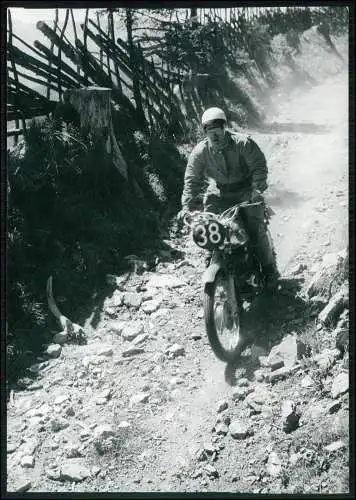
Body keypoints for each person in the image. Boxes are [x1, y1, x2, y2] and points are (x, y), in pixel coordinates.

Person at [178, 106, 279, 287]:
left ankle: (270, 269)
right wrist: (186, 207)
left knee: (256, 229)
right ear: (205, 133)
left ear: (225, 128)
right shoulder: (200, 152)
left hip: (246, 192)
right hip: (219, 194)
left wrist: (256, 191)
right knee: (208, 228)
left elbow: (259, 166)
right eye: (210, 133)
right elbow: (191, 180)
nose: (215, 137)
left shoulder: (243, 144)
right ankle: (214, 261)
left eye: (218, 131)